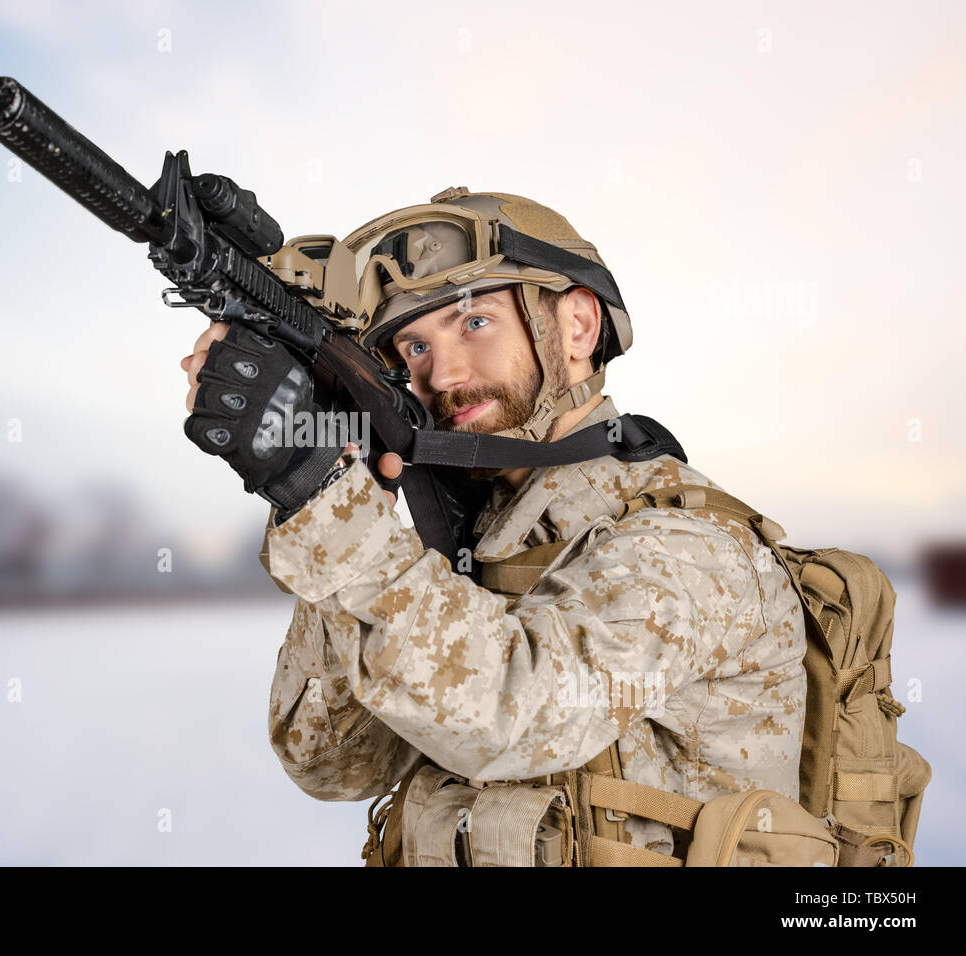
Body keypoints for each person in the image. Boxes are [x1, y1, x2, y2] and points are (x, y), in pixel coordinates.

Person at [179, 189, 806, 866]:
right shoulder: (464, 541)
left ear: (575, 328)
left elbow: (513, 711)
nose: (441, 373)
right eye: (414, 344)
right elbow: (331, 762)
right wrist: (342, 480)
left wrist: (315, 489)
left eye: (474, 324)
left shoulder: (685, 547)